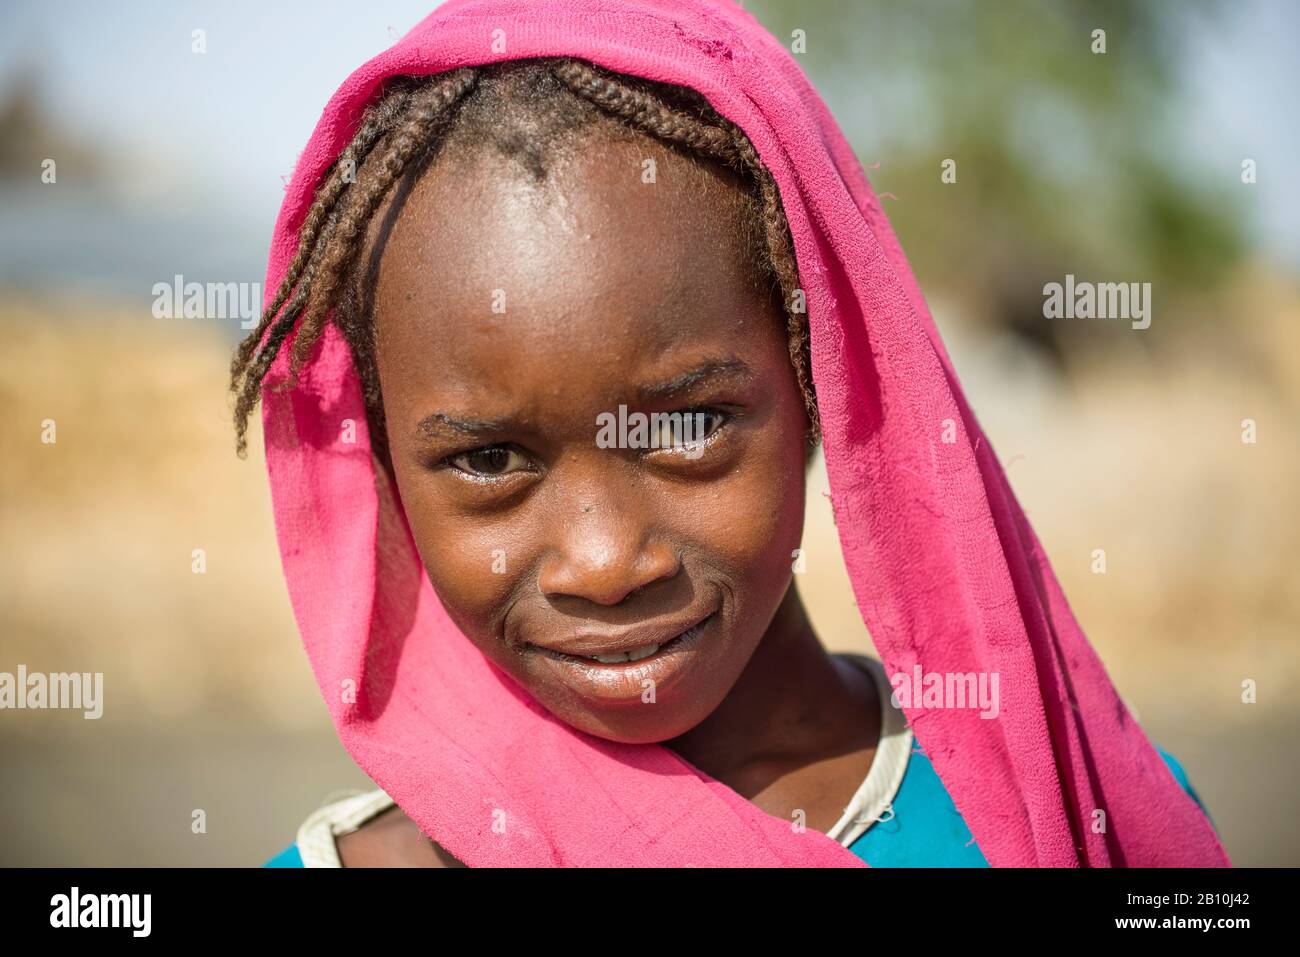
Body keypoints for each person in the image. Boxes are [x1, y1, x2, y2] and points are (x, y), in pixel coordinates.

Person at [235, 0, 1228, 868]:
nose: (604, 561)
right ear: (384, 470)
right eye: (489, 459)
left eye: (690, 426)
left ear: (814, 379)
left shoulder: (1071, 814)